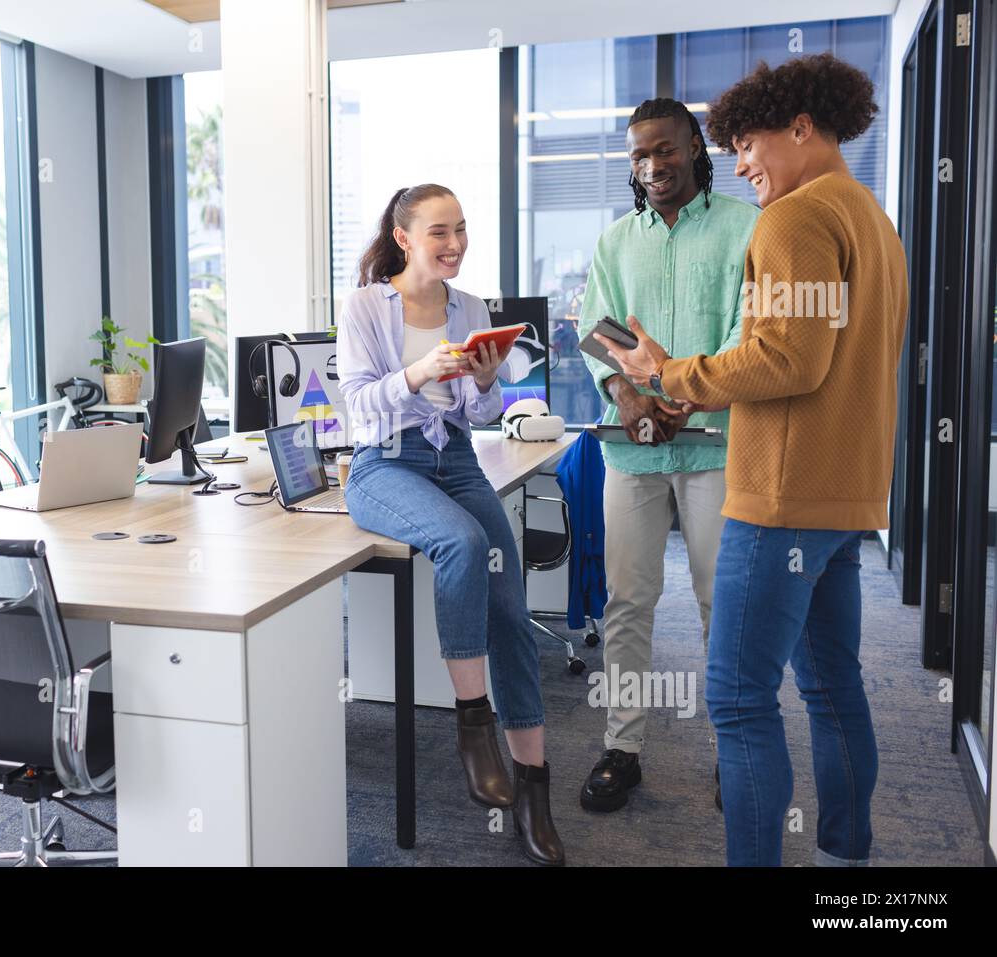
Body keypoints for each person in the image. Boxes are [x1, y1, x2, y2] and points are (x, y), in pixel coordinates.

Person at [596, 53, 908, 866]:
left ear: (800, 128)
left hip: (781, 496)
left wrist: (669, 375)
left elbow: (785, 361)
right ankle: (845, 860)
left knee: (736, 698)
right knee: (833, 685)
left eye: (748, 144)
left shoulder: (794, 220)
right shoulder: (870, 217)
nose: (741, 164)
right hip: (846, 499)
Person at [337, 184, 565, 865]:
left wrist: (486, 381)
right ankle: (473, 728)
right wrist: (414, 373)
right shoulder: (364, 306)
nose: (455, 242)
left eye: (461, 229)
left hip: (454, 459)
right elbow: (357, 407)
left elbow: (476, 415)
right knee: (460, 541)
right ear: (405, 238)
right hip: (384, 465)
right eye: (440, 230)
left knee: (513, 615)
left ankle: (535, 788)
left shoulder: (469, 307)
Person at [575, 99, 760, 813]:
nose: (652, 165)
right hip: (634, 450)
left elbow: (752, 332)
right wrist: (624, 392)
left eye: (665, 149)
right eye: (638, 155)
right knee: (628, 600)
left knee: (723, 603)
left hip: (715, 444)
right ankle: (623, 747)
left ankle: (732, 751)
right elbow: (600, 331)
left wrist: (689, 386)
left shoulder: (746, 228)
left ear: (695, 147)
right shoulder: (618, 241)